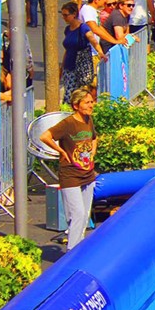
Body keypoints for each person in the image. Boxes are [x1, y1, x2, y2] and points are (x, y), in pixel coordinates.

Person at [41, 89, 100, 251]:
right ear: (76, 105)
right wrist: (60, 151)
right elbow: (45, 136)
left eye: (91, 102)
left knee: (84, 215)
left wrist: (93, 151)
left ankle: (79, 247)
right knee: (78, 214)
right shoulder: (68, 124)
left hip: (87, 174)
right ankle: (72, 252)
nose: (91, 105)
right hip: (70, 175)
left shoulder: (88, 119)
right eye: (87, 102)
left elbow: (94, 137)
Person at [59, 2, 104, 100]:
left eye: (66, 15)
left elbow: (92, 39)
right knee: (70, 95)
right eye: (62, 15)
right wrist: (62, 67)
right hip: (68, 67)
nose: (64, 17)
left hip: (80, 67)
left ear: (74, 14)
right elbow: (67, 50)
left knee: (76, 96)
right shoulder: (68, 29)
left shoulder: (83, 28)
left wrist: (99, 51)